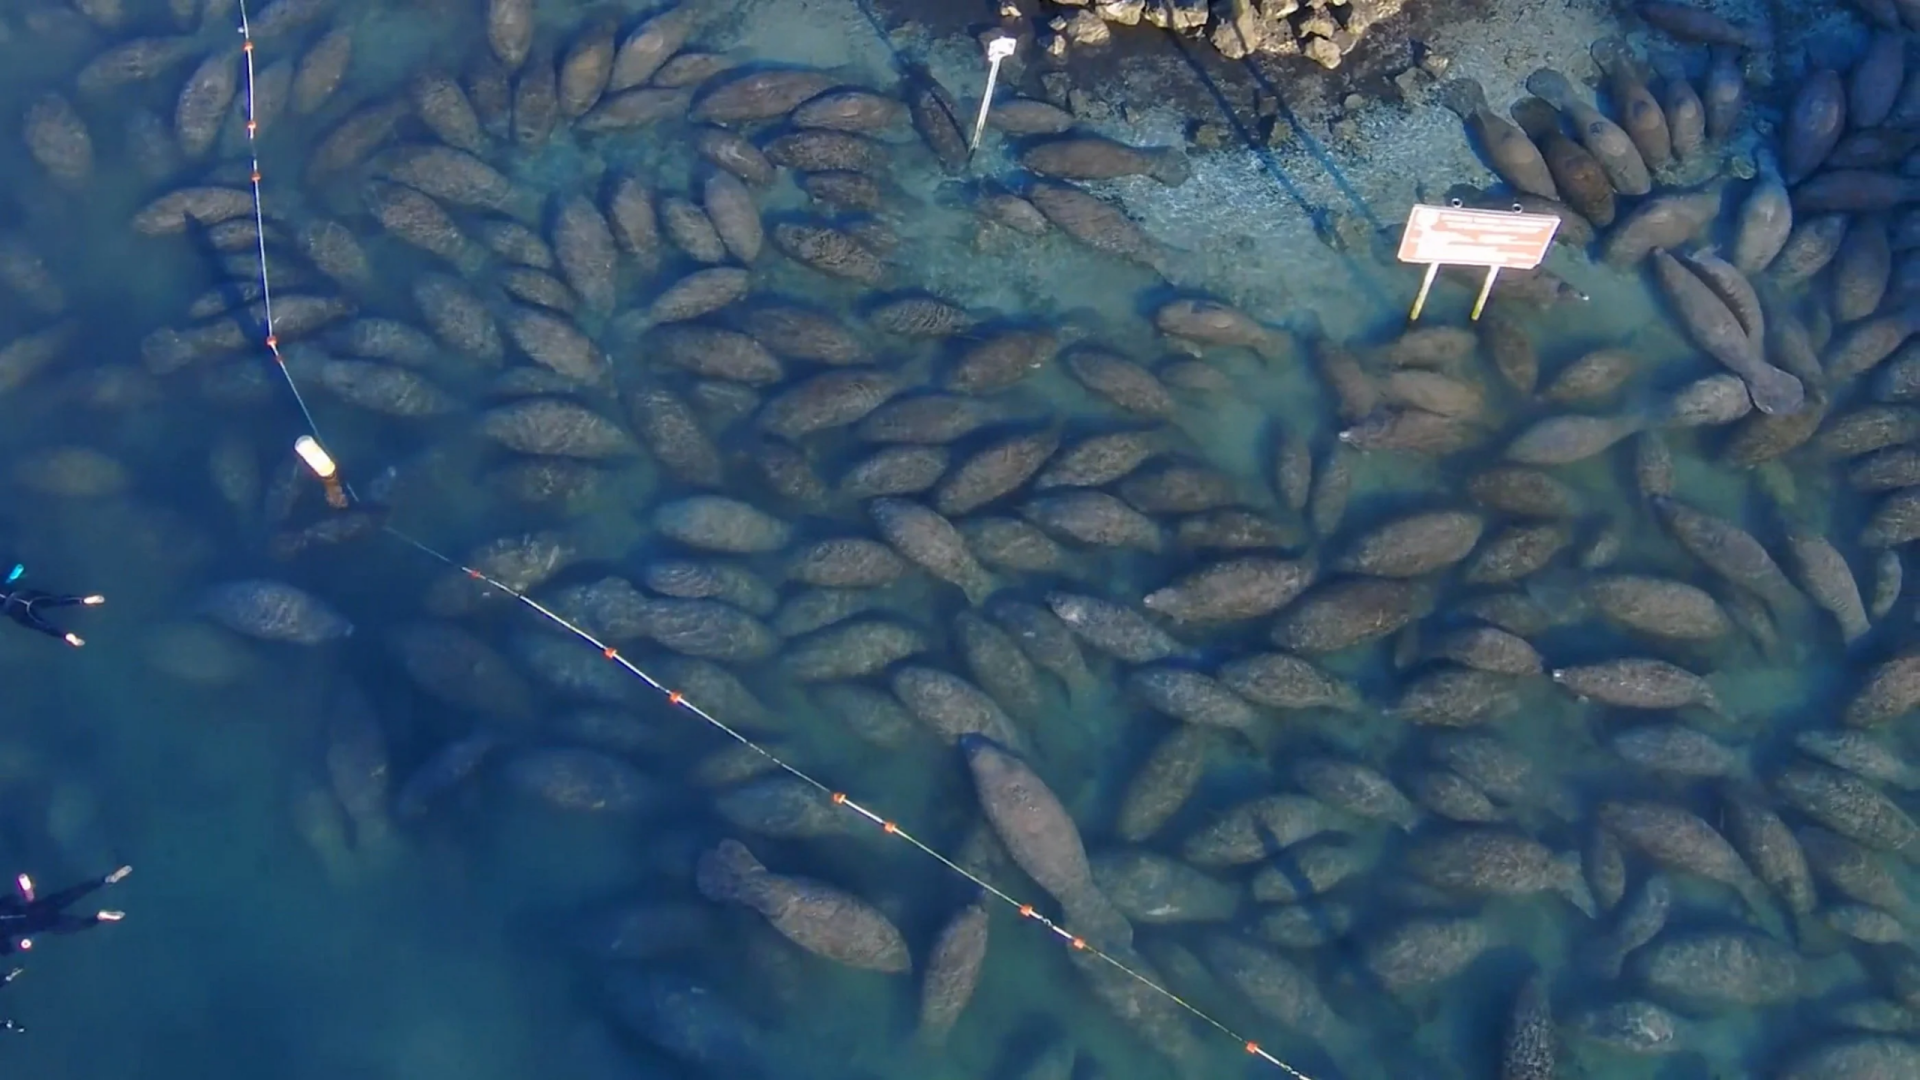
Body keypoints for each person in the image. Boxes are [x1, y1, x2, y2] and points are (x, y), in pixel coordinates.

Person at [0, 865, 130, 955]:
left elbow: (8, 949)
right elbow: (12, 900)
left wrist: (22, 944)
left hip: (42, 922)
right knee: (75, 893)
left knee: (79, 922)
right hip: (42, 911)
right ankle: (106, 881)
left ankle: (100, 916)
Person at [0, 564, 102, 647]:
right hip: (21, 595)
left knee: (41, 625)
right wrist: (16, 575)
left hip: (12, 609)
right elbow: (11, 578)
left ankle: (66, 636)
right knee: (55, 600)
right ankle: (84, 601)